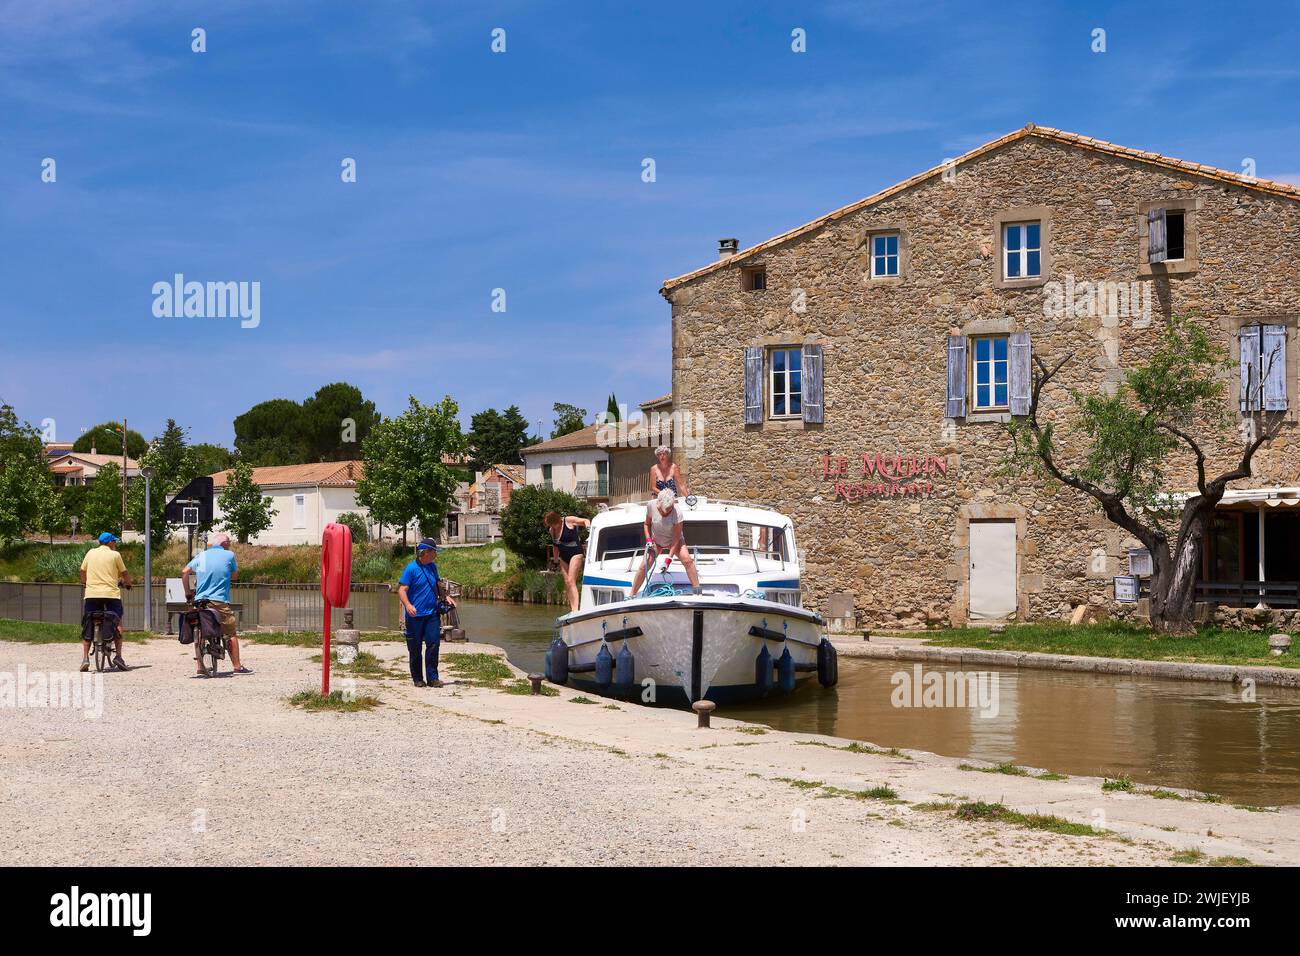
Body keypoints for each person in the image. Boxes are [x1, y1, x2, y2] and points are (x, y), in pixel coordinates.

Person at [182, 531, 248, 677]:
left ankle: (200, 665)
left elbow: (185, 572)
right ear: (224, 544)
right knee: (230, 633)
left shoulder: (202, 555)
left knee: (201, 627)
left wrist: (188, 593)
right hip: (219, 600)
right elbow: (235, 576)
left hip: (200, 600)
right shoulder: (229, 555)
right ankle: (237, 666)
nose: (230, 545)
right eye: (229, 542)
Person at [398, 539, 454, 687]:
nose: (436, 555)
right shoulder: (411, 569)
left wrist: (445, 597)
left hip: (431, 614)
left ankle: (433, 678)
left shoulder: (433, 567)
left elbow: (437, 585)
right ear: (426, 553)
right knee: (415, 649)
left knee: (434, 645)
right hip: (415, 616)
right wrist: (408, 605)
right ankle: (418, 679)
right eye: (434, 552)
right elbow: (402, 590)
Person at [631, 489, 700, 596]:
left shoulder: (678, 513)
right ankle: (632, 594)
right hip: (656, 541)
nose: (668, 512)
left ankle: (697, 591)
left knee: (687, 560)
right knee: (644, 566)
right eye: (665, 510)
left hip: (675, 541)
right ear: (659, 503)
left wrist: (668, 560)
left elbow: (676, 538)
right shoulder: (651, 505)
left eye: (670, 509)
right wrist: (648, 539)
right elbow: (646, 524)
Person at [79, 532, 132, 672]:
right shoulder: (115, 555)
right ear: (109, 543)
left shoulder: (90, 553)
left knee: (88, 622)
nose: (115, 544)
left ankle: (85, 658)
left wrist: (85, 583)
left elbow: (82, 570)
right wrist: (128, 584)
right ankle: (119, 657)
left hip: (91, 594)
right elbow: (124, 573)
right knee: (117, 620)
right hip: (111, 595)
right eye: (114, 542)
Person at [544, 511, 590, 612]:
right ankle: (573, 608)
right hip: (563, 557)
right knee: (567, 583)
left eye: (551, 524)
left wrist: (588, 528)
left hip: (576, 553)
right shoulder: (552, 530)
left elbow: (585, 520)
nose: (551, 526)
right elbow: (555, 547)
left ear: (556, 520)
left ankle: (576, 610)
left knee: (571, 580)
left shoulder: (568, 521)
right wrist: (555, 561)